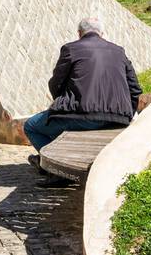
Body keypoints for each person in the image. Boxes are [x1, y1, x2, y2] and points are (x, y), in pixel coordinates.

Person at [24, 17, 142, 172]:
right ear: (102, 33)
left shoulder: (70, 49)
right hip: (118, 118)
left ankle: (56, 168)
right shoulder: (118, 51)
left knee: (31, 126)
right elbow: (134, 88)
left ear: (79, 33)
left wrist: (61, 102)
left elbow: (56, 83)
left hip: (79, 116)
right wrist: (127, 112)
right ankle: (54, 161)